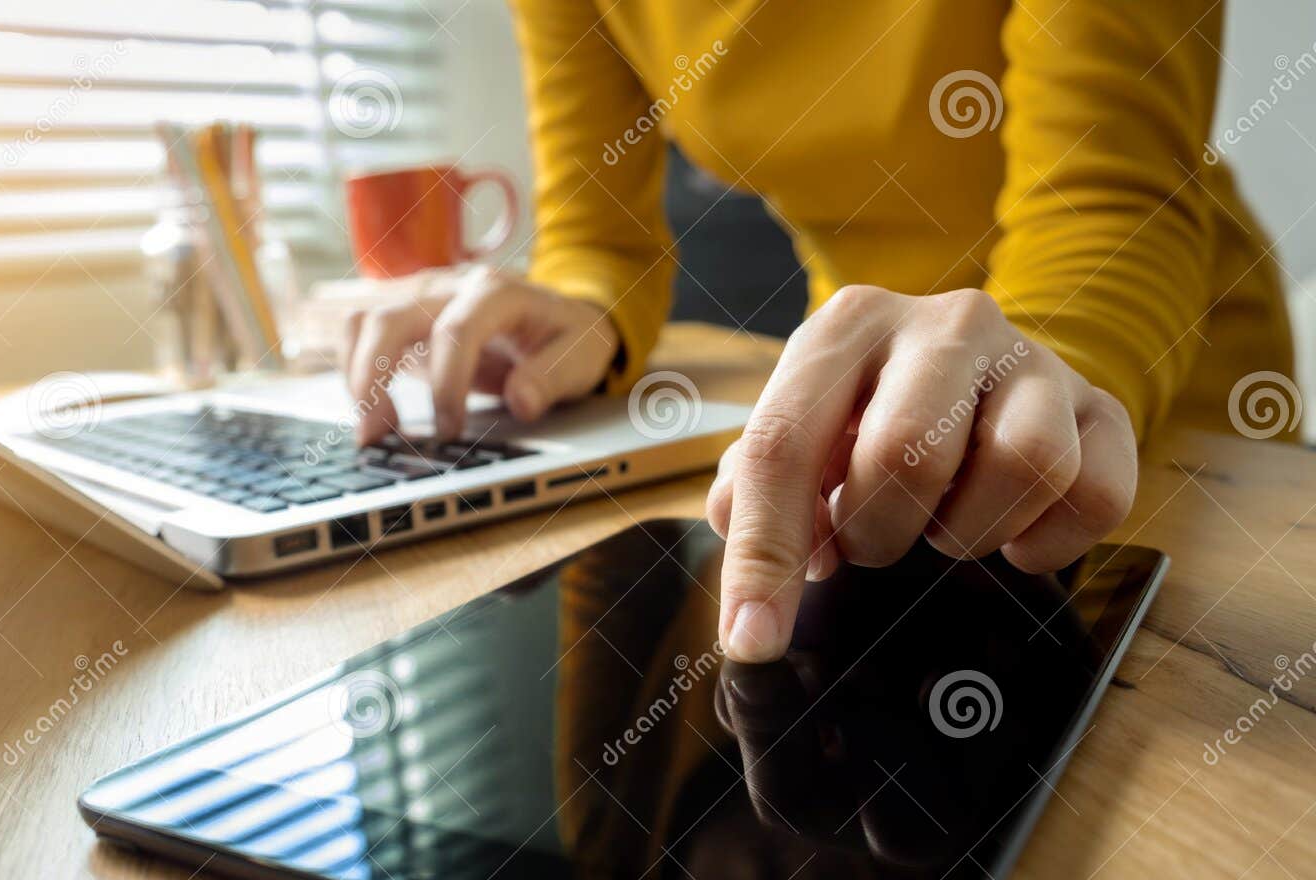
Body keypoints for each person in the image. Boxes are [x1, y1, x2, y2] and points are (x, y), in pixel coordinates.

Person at [338, 1, 1292, 665]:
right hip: (862, 403)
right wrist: (580, 310)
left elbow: (1109, 195)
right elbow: (595, 232)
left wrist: (1037, 367)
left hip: (1128, 389)